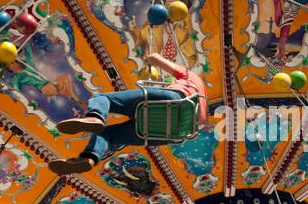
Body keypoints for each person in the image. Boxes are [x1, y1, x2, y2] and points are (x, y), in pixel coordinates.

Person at [48, 49, 206, 175]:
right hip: (174, 132)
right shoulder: (202, 104)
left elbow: (157, 59)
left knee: (103, 99)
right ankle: (88, 159)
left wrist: (152, 57)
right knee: (108, 135)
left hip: (175, 101)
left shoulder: (191, 77)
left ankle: (95, 116)